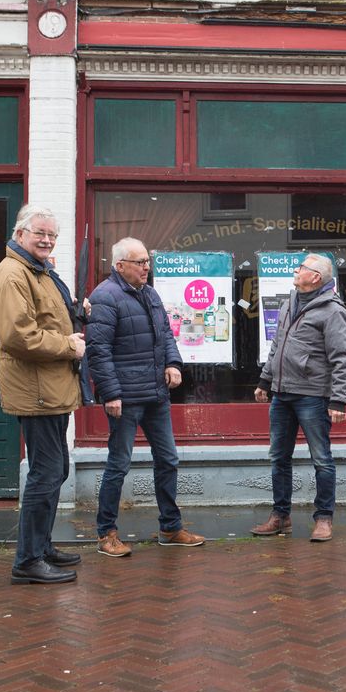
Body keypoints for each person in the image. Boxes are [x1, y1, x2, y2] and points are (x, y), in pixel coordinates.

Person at [86, 237, 204, 556]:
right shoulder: (105, 297)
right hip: (124, 398)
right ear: (120, 265)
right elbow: (98, 351)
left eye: (148, 262)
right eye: (140, 263)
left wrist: (173, 363)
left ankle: (170, 527)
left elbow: (165, 334)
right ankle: (106, 533)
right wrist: (110, 393)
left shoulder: (150, 294)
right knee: (119, 465)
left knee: (168, 460)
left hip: (156, 395)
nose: (146, 268)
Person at [0, 205, 86, 585]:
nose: (46, 240)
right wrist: (68, 345)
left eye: (51, 235)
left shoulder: (38, 272)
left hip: (52, 387)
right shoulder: (12, 274)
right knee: (47, 472)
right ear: (20, 233)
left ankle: (41, 547)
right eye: (39, 233)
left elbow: (47, 318)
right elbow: (18, 337)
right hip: (37, 390)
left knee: (57, 468)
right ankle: (27, 560)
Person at [252, 253, 346, 542]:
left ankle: (324, 519)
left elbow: (342, 358)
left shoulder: (332, 310)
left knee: (321, 459)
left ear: (316, 277)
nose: (296, 271)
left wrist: (338, 400)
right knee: (278, 458)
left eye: (302, 268)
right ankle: (280, 516)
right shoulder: (289, 302)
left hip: (312, 395)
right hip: (282, 394)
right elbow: (277, 345)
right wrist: (265, 380)